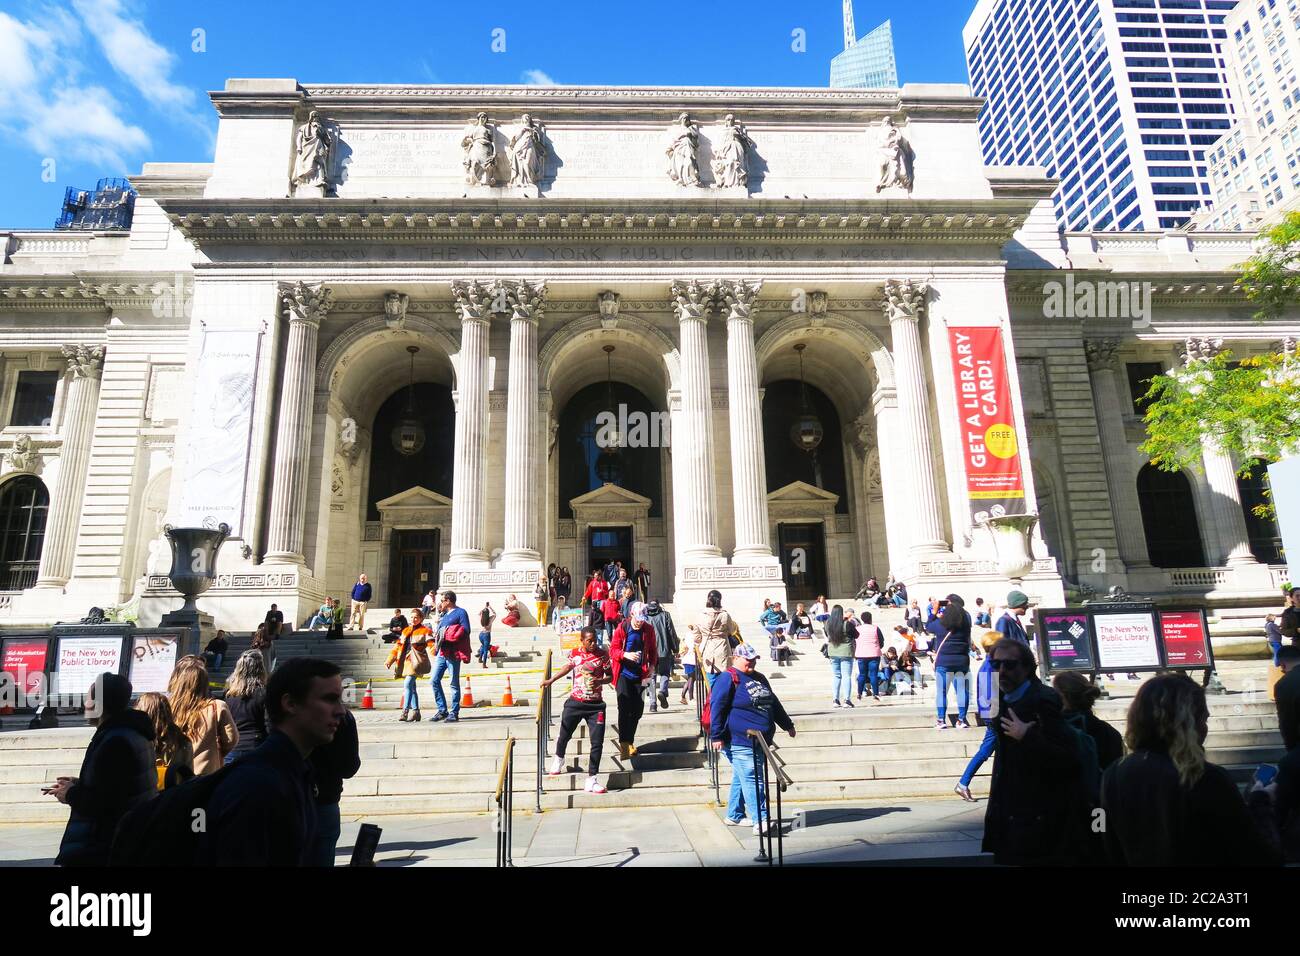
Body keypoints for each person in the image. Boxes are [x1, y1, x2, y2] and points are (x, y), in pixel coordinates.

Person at [1101, 674, 1281, 866]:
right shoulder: (1204, 777)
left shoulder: (1114, 773)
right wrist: (1260, 802)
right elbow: (1257, 855)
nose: (1205, 729)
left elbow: (1109, 845)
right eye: (1203, 720)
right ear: (1189, 724)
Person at [201, 657, 346, 866]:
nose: (341, 711)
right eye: (329, 699)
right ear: (290, 704)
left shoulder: (296, 772)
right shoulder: (260, 784)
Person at [982, 638, 1090, 866]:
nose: (1001, 671)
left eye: (1010, 665)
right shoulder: (1001, 697)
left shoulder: (1043, 701)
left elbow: (1068, 759)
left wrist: (1028, 736)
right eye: (995, 665)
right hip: (1011, 813)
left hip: (1040, 822)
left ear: (1027, 667)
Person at [50, 673, 157, 867]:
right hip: (123, 838)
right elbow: (119, 786)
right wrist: (81, 783)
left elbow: (104, 803)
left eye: (89, 697)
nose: (85, 702)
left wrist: (70, 794)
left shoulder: (115, 741)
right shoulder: (132, 733)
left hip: (103, 845)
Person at [709, 643, 796, 834]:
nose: (751, 663)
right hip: (740, 739)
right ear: (736, 658)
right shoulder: (727, 678)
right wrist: (715, 735)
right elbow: (717, 707)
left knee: (743, 777)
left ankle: (734, 814)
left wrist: (787, 724)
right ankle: (761, 819)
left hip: (761, 740)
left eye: (754, 659)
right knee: (753, 777)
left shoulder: (760, 678)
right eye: (747, 660)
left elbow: (774, 703)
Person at [542, 626, 611, 794]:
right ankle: (559, 758)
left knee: (597, 742)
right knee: (564, 734)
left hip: (596, 705)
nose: (593, 644)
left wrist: (600, 682)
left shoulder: (603, 655)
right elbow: (568, 667)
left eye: (595, 640)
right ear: (582, 640)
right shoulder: (575, 653)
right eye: (589, 641)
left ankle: (592, 779)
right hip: (576, 702)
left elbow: (611, 676)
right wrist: (551, 680)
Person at [309, 705, 360, 866]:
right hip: (325, 797)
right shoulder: (344, 716)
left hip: (300, 798)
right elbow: (349, 767)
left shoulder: (291, 713)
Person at [168, 656, 238, 774]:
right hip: (207, 774)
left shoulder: (167, 707)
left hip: (173, 775)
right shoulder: (217, 707)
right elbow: (231, 740)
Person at [955, 631, 1002, 801]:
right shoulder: (991, 667)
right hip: (995, 715)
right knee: (988, 752)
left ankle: (963, 783)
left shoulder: (991, 665)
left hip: (993, 715)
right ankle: (963, 783)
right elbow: (990, 695)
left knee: (987, 751)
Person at [610, 601, 658, 759]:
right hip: (623, 673)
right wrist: (625, 655)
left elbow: (653, 650)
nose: (640, 621)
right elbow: (613, 650)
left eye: (643, 618)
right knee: (624, 708)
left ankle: (629, 741)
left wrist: (652, 666)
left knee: (637, 710)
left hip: (641, 674)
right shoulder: (622, 628)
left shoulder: (648, 630)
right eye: (638, 618)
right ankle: (625, 744)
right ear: (631, 615)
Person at [927, 594, 973, 729]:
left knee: (941, 692)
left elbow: (928, 627)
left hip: (944, 662)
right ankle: (961, 719)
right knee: (962, 691)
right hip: (961, 661)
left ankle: (941, 720)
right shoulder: (965, 625)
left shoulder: (940, 624)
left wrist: (934, 612)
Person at [135, 691, 194, 791]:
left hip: (145, 796)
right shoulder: (183, 741)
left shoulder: (138, 740)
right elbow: (188, 776)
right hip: (172, 797)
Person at [223, 650, 270, 765]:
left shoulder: (229, 695)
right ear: (261, 669)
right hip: (256, 746)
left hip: (232, 748)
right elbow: (269, 724)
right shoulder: (264, 694)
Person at [431, 591, 472, 722]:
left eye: (442, 600)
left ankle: (454, 711)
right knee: (434, 680)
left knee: (453, 683)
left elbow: (466, 629)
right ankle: (442, 709)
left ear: (448, 601)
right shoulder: (444, 615)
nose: (440, 603)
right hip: (442, 653)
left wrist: (451, 634)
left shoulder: (461, 612)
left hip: (453, 653)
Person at [387, 608, 433, 721]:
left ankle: (405, 712)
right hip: (405, 662)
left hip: (416, 661)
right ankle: (416, 712)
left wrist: (435, 650)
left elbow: (431, 643)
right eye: (412, 617)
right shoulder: (405, 630)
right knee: (412, 687)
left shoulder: (425, 630)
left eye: (416, 617)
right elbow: (397, 646)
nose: (413, 619)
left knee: (407, 684)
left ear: (421, 618)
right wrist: (389, 660)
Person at [690, 589, 740, 692]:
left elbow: (697, 637)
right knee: (725, 679)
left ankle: (712, 700)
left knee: (711, 679)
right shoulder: (725, 615)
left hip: (707, 649)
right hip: (722, 648)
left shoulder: (700, 616)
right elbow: (732, 630)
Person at [645, 599, 679, 712]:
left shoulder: (645, 617)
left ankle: (653, 704)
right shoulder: (665, 615)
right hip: (664, 650)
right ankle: (663, 691)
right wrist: (675, 648)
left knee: (652, 676)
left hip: (650, 652)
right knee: (665, 673)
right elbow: (671, 632)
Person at [826, 605, 854, 708]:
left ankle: (835, 699)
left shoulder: (828, 623)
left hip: (833, 651)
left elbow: (827, 634)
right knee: (846, 676)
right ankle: (847, 700)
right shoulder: (847, 624)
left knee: (836, 676)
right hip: (846, 652)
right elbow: (856, 634)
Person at [854, 609, 884, 702]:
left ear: (862, 619)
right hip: (874, 654)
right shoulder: (875, 628)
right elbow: (881, 641)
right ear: (870, 619)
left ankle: (859, 693)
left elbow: (854, 641)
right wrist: (878, 647)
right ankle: (876, 694)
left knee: (862, 674)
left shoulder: (858, 628)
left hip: (861, 654)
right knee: (873, 674)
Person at [680, 631, 700, 704]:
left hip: (687, 659)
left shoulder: (687, 634)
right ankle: (691, 698)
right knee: (691, 678)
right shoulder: (694, 635)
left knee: (691, 679)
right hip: (691, 659)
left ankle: (683, 696)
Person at [477, 602, 496, 667]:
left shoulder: (481, 619)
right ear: (488, 614)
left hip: (481, 635)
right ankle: (484, 664)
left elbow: (479, 613)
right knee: (485, 649)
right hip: (486, 635)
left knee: (483, 646)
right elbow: (495, 614)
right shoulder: (490, 619)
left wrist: (485, 607)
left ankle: (480, 658)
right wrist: (490, 607)